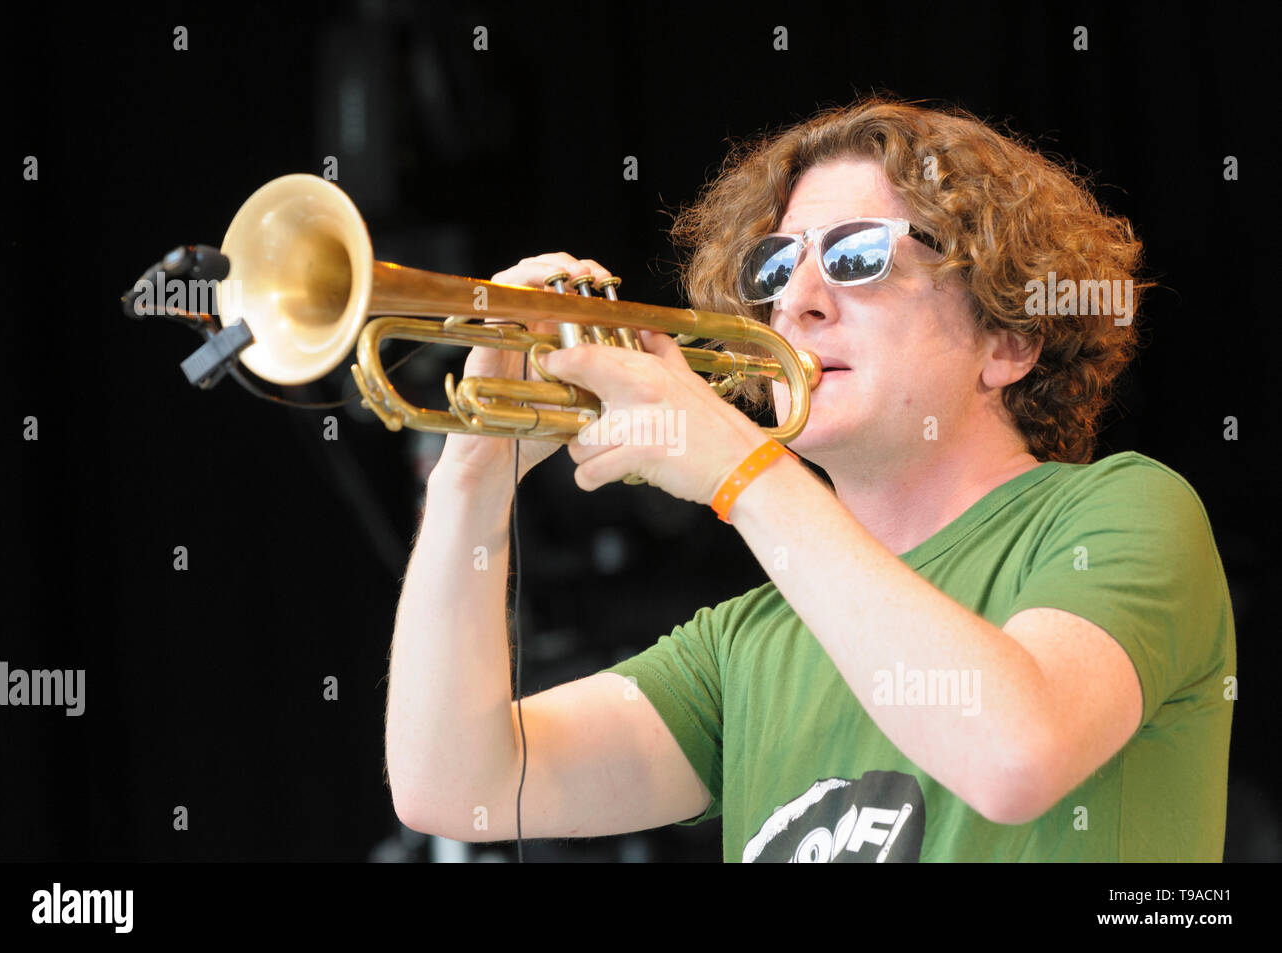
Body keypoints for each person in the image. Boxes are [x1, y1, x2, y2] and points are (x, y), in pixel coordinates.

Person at [383, 96, 1236, 862]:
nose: (799, 300)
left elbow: (1015, 755)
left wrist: (740, 467)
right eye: (774, 269)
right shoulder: (742, 645)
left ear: (1008, 338)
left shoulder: (1122, 511)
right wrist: (475, 467)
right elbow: (456, 783)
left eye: (860, 254)